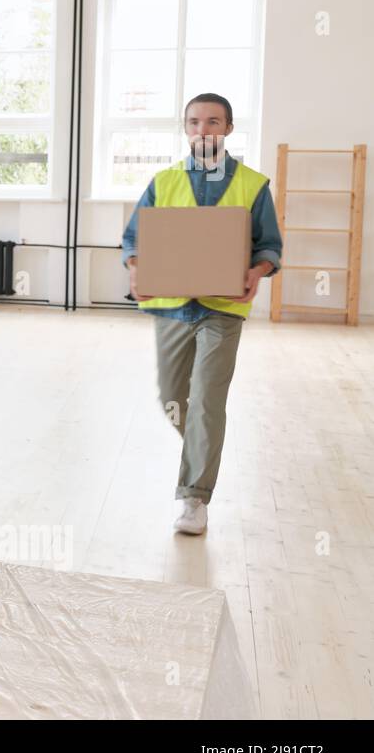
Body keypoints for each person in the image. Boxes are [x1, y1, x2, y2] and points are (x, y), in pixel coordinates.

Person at [122, 92, 282, 535]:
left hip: (222, 309)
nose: (203, 130)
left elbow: (270, 244)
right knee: (173, 398)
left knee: (208, 401)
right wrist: (136, 268)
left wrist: (258, 269)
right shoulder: (164, 180)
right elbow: (135, 237)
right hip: (172, 307)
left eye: (213, 122)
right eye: (194, 122)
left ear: (228, 128)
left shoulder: (252, 184)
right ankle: (201, 451)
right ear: (185, 128)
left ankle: (193, 496)